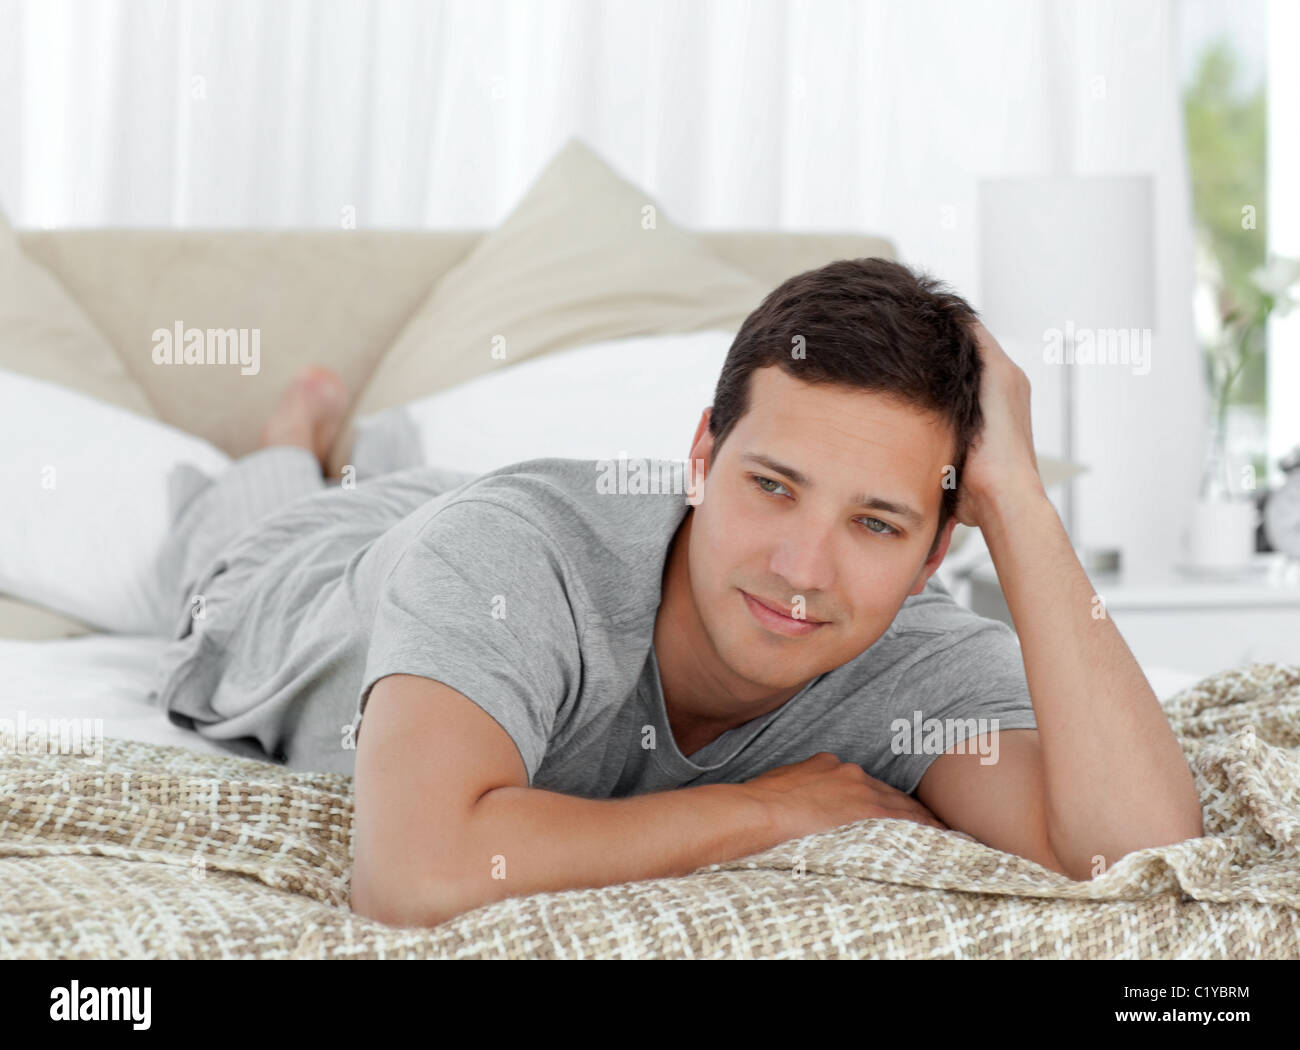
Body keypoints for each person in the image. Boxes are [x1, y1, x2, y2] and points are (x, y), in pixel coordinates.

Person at [147, 258, 1203, 928]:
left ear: (934, 556)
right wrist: (760, 810)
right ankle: (291, 441)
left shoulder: (913, 658)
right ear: (702, 454)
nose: (801, 570)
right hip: (311, 570)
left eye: (875, 523)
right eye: (771, 486)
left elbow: (1142, 856)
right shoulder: (508, 561)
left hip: (465, 528)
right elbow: (416, 876)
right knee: (231, 532)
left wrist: (1018, 501)